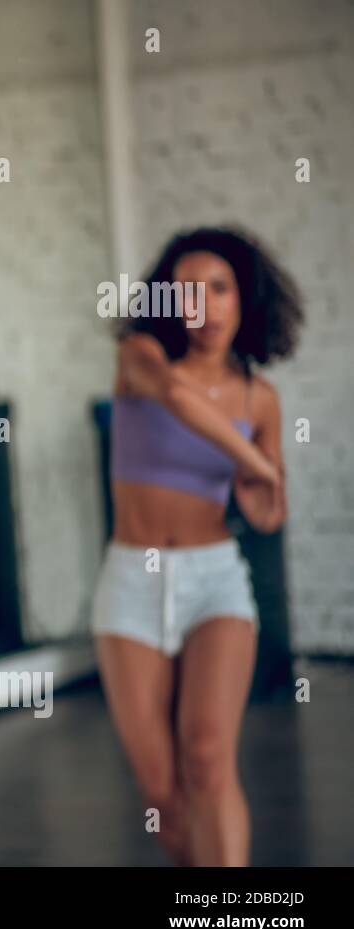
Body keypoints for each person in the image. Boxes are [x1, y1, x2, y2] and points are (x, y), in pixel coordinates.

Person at [93, 226, 301, 866]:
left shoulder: (258, 397)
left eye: (218, 289)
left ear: (246, 299)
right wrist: (251, 460)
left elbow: (268, 513)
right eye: (185, 292)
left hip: (215, 579)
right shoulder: (140, 360)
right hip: (132, 583)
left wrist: (266, 488)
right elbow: (180, 399)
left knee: (209, 760)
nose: (203, 307)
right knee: (163, 795)